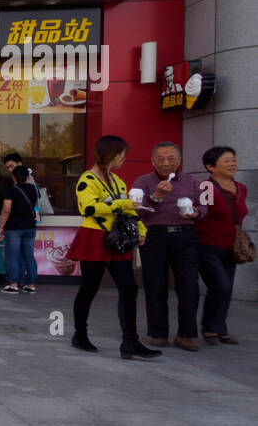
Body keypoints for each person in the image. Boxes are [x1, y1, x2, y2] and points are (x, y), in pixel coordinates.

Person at [66, 134, 160, 360]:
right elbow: (88, 209)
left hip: (118, 239)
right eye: (123, 156)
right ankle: (80, 335)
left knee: (128, 288)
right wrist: (125, 203)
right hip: (95, 237)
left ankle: (130, 341)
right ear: (115, 155)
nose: (123, 160)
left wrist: (141, 230)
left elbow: (126, 211)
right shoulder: (87, 180)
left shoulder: (117, 180)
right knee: (89, 288)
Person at [131, 142, 202, 351]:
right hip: (155, 236)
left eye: (171, 158)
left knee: (189, 286)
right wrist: (156, 198)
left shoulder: (191, 181)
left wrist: (196, 213)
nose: (166, 163)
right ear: (153, 161)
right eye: (161, 159)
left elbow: (203, 205)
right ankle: (158, 333)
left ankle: (187, 334)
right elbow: (137, 212)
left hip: (185, 235)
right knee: (155, 285)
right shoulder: (143, 182)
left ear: (179, 161)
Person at [194, 145, 248, 345]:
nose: (232, 163)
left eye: (233, 159)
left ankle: (220, 328)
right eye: (226, 160)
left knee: (228, 288)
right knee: (220, 286)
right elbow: (201, 212)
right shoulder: (206, 188)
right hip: (207, 245)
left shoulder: (241, 188)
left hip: (231, 246)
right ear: (210, 166)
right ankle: (209, 328)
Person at [0, 165, 38, 294]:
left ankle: (13, 285)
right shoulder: (32, 189)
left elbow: (6, 209)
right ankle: (31, 285)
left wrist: (1, 226)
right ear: (27, 176)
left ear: (13, 176)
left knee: (13, 256)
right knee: (29, 256)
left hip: (14, 227)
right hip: (30, 227)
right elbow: (35, 206)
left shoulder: (11, 190)